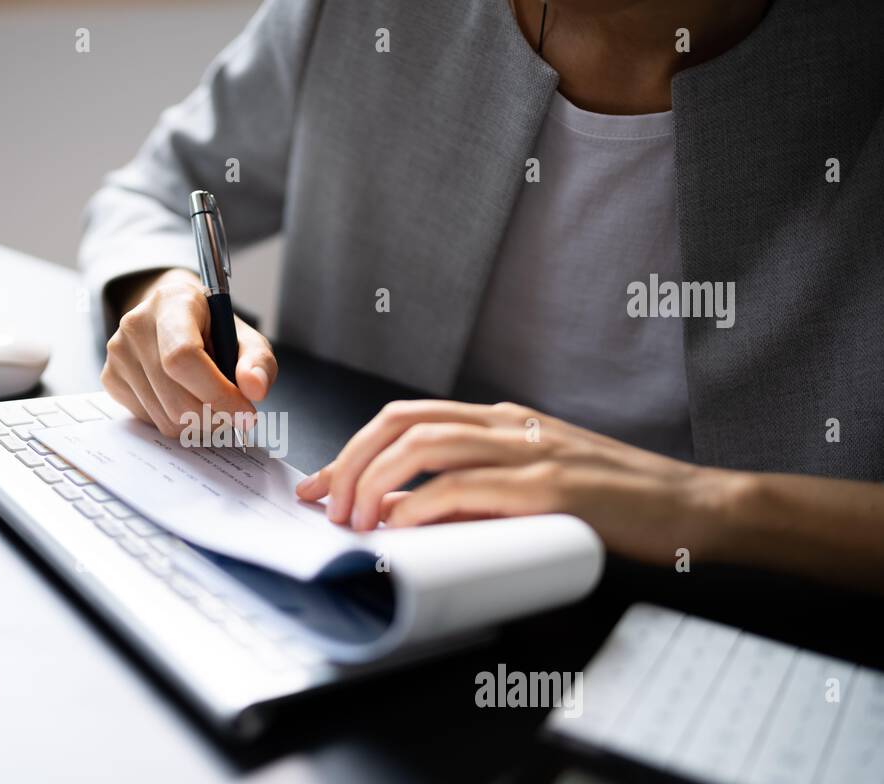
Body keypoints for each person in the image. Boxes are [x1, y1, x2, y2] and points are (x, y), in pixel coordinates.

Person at [79, 0, 884, 594]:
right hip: (358, 574)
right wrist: (161, 289)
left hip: (749, 639)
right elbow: (155, 192)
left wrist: (703, 505)